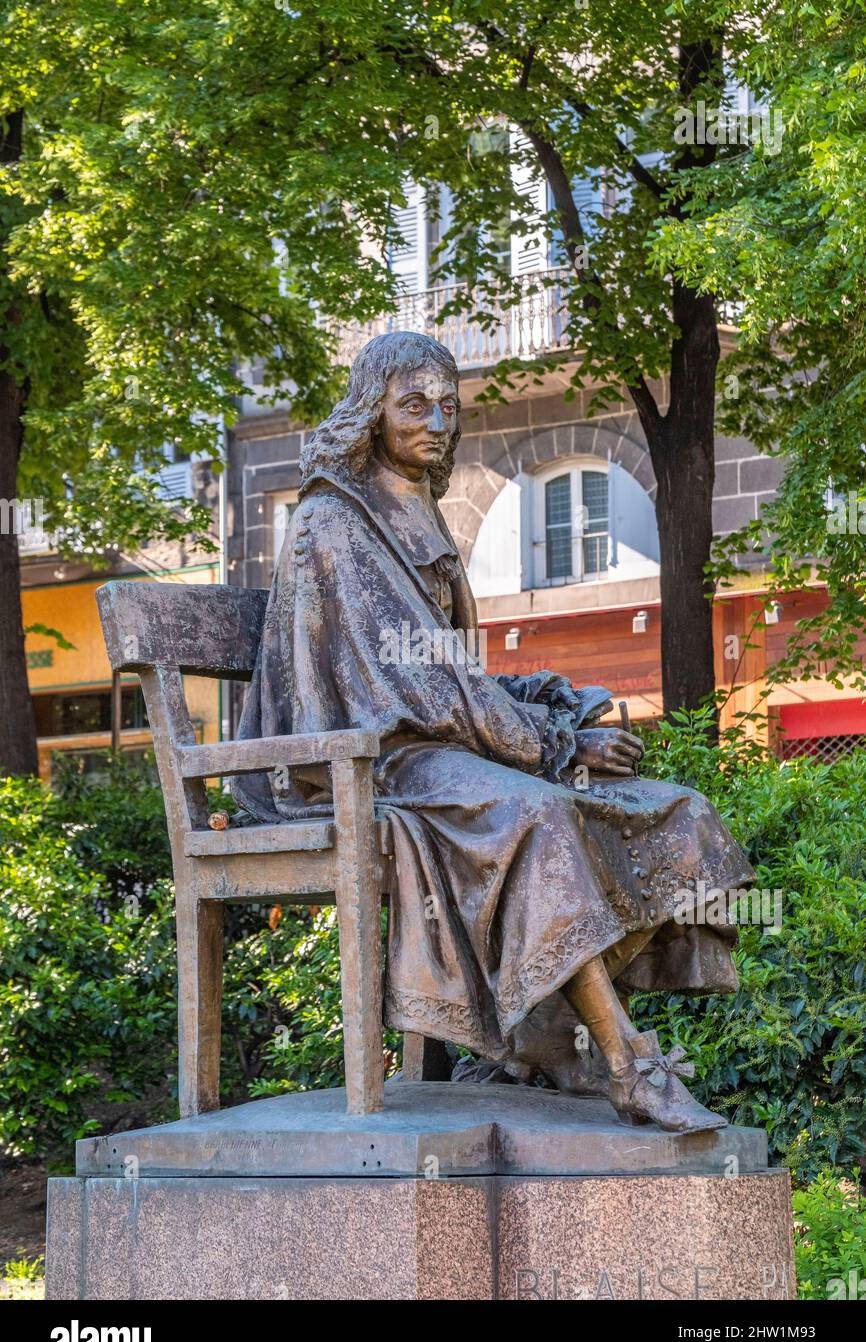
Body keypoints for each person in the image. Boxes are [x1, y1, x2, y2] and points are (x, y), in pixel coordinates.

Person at [233, 331, 753, 1133]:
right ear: (371, 412)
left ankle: (543, 1025)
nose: (436, 423)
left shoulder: (417, 508)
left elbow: (453, 672)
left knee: (674, 813)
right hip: (373, 760)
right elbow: (412, 684)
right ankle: (627, 1063)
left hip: (446, 744)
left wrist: (557, 702)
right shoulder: (332, 520)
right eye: (414, 406)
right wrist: (554, 741)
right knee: (542, 816)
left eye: (448, 407)